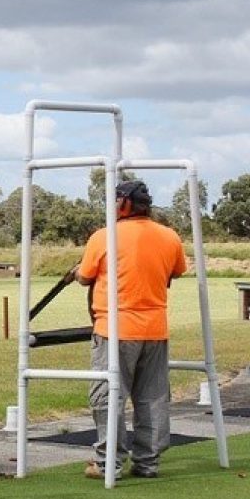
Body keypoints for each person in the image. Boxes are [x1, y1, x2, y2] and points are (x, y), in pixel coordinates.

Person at [76, 179, 186, 479]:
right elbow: (174, 273)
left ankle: (107, 462)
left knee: (107, 396)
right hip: (155, 330)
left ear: (122, 203)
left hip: (115, 330)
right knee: (152, 398)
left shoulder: (103, 236)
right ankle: (147, 462)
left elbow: (84, 277)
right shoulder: (170, 236)